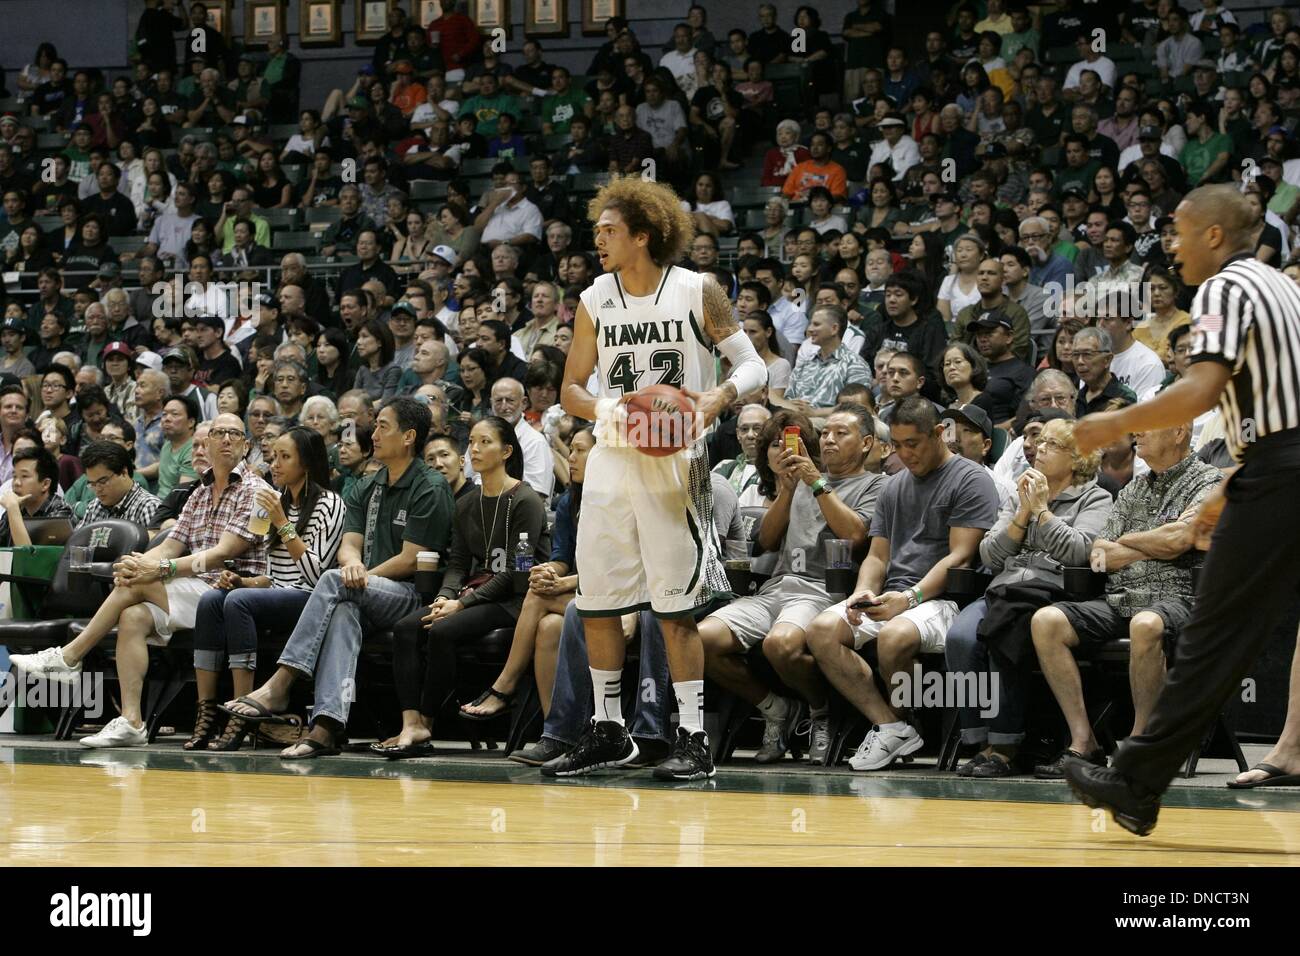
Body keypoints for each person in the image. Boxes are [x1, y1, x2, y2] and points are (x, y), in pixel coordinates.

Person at [1066, 185, 1300, 835]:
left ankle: (1138, 782)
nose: (1171, 247)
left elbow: (1200, 389)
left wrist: (1112, 421)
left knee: (1215, 632)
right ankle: (1142, 775)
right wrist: (1226, 491)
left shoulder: (1225, 290)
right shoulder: (1286, 290)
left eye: (1177, 233)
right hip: (1278, 468)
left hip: (1281, 473)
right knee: (1230, 632)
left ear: (1215, 236)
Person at [541, 175, 767, 780]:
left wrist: (715, 399)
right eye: (597, 232)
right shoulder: (594, 298)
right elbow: (570, 389)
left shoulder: (698, 290)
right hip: (614, 455)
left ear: (642, 235)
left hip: (678, 458)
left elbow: (754, 365)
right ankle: (610, 730)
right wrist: (612, 410)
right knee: (598, 601)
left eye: (608, 231)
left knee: (674, 605)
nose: (598, 240)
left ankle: (692, 736)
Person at [11, 413, 270, 747]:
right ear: (205, 442)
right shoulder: (200, 493)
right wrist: (135, 563)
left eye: (234, 434)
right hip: (194, 589)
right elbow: (172, 543)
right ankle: (132, 721)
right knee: (132, 615)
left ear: (246, 445)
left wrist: (157, 571)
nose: (225, 439)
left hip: (231, 591)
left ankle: (69, 656)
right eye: (219, 432)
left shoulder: (256, 490)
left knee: (134, 585)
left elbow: (223, 553)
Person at [216, 398, 454, 758]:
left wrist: (359, 575)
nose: (373, 434)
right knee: (342, 612)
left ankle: (281, 682)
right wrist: (352, 566)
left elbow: (410, 560)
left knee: (332, 581)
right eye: (374, 425)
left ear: (408, 436)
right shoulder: (365, 485)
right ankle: (326, 728)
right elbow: (349, 545)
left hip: (409, 598)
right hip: (361, 591)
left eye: (382, 427)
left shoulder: (429, 485)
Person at [805, 396, 1000, 770]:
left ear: (940, 433)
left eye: (913, 443)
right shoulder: (893, 486)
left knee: (894, 637)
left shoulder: (972, 479)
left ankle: (909, 717)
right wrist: (865, 589)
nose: (905, 453)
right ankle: (891, 725)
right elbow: (878, 556)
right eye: (897, 445)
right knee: (822, 629)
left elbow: (959, 556)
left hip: (946, 599)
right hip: (895, 596)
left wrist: (908, 599)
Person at [1033, 418, 1221, 782]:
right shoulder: (1134, 488)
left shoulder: (1208, 482)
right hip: (1120, 595)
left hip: (1179, 595)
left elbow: (1180, 541)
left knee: (1146, 624)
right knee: (1046, 621)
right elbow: (1099, 555)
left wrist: (1136, 539)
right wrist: (1158, 538)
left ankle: (1140, 745)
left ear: (1179, 431)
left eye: (1148, 426)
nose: (1137, 433)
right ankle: (1084, 740)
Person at [701, 404, 882, 764]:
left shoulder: (876, 484)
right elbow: (766, 540)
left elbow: (855, 535)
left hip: (822, 590)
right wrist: (786, 488)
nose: (829, 438)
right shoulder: (799, 479)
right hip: (777, 587)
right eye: (826, 432)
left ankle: (820, 713)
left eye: (840, 433)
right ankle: (775, 708)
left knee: (780, 644)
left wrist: (816, 482)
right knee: (701, 640)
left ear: (866, 443)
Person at [945, 418, 1112, 776]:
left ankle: (1005, 746)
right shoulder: (1017, 494)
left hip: (1052, 593)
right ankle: (980, 740)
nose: (1039, 449)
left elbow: (1079, 552)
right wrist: (1022, 512)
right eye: (1039, 442)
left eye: (1052, 444)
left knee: (1004, 629)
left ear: (1077, 457)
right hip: (1004, 588)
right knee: (959, 636)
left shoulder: (1095, 497)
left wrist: (1042, 511)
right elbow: (990, 555)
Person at [375, 417, 548, 756]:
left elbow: (518, 572)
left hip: (514, 599)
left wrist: (461, 605)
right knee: (407, 628)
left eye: (485, 442)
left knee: (442, 631)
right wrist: (444, 595)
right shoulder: (466, 503)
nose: (475, 449)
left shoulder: (526, 500)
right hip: (475, 592)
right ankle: (409, 722)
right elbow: (456, 563)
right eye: (472, 441)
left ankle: (426, 723)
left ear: (506, 451)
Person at [188, 426, 346, 751]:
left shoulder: (330, 504)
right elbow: (271, 576)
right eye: (273, 457)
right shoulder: (271, 502)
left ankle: (242, 710)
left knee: (239, 603)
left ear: (307, 463)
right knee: (213, 600)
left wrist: (283, 525)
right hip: (277, 595)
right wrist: (242, 581)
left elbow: (317, 575)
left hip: (312, 601)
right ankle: (205, 710)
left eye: (285, 457)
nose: (275, 464)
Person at [0, 447, 73, 546]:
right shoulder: (15, 509)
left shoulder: (61, 512)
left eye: (24, 476)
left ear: (45, 484)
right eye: (14, 476)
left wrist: (13, 510)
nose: (16, 483)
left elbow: (31, 558)